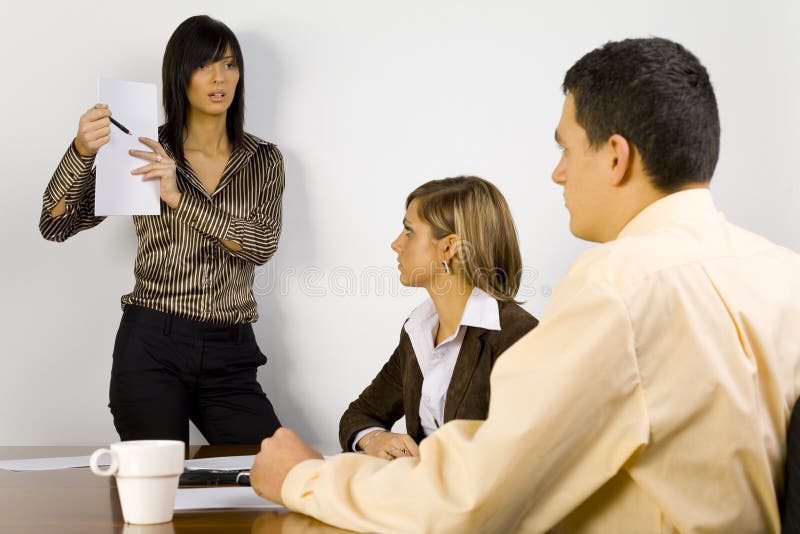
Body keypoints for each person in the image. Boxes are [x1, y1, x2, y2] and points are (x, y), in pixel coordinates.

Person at [249, 37, 800, 532]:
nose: (557, 173)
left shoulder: (619, 288)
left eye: (565, 148)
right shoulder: (783, 271)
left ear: (615, 156)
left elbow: (472, 498)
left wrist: (304, 478)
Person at [39, 15, 283, 445]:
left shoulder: (263, 158)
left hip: (231, 349)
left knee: (270, 471)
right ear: (180, 74)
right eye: (203, 65)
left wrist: (179, 198)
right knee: (154, 488)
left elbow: (260, 244)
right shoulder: (143, 152)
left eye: (229, 64)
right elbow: (55, 223)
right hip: (153, 343)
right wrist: (80, 151)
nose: (218, 77)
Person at [339, 177, 538, 459]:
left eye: (409, 232)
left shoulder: (518, 336)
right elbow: (361, 414)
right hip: (422, 495)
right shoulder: (419, 329)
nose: (396, 244)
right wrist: (376, 439)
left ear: (448, 248)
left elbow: (522, 457)